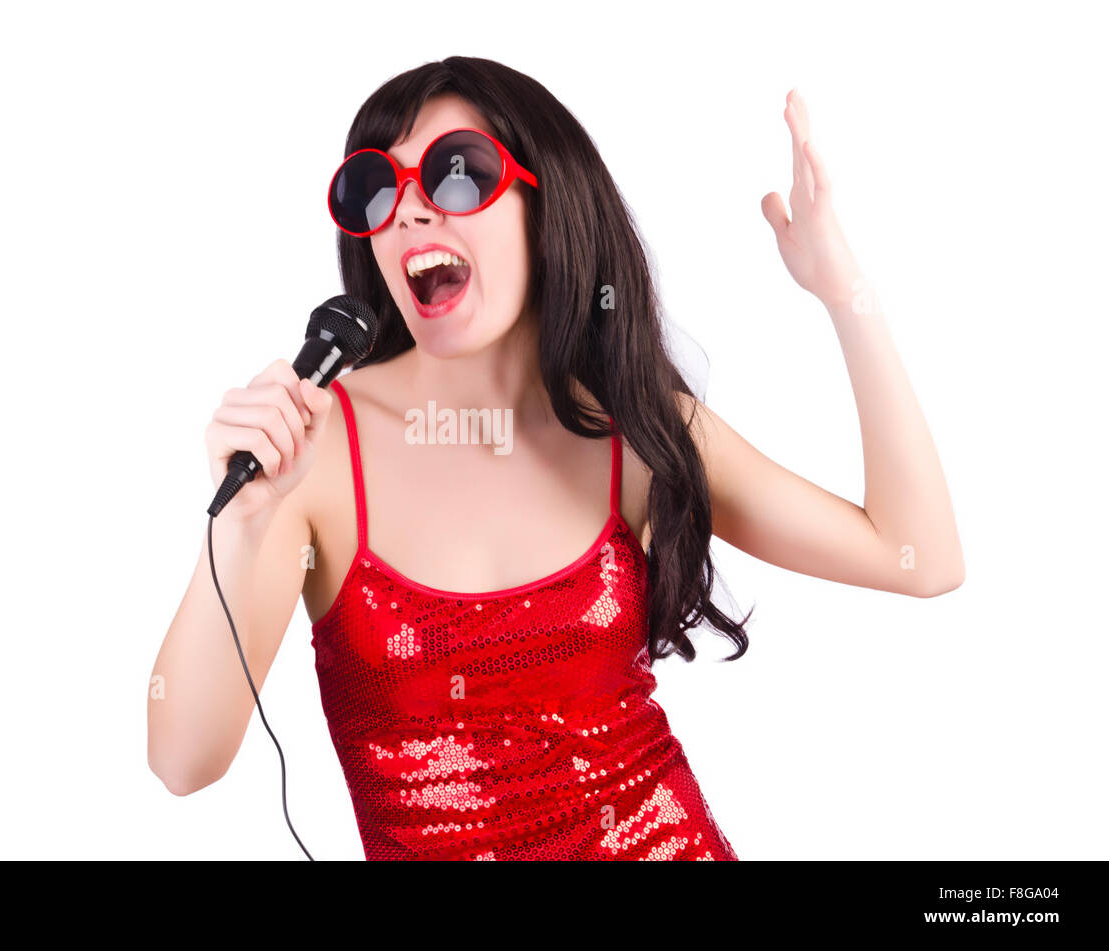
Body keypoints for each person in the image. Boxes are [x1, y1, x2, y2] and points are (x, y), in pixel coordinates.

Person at [148, 57, 965, 860]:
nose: (409, 213)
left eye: (456, 175)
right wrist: (240, 527)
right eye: (377, 190)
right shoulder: (310, 447)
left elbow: (919, 556)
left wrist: (844, 292)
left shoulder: (637, 433)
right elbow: (183, 762)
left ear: (547, 204)